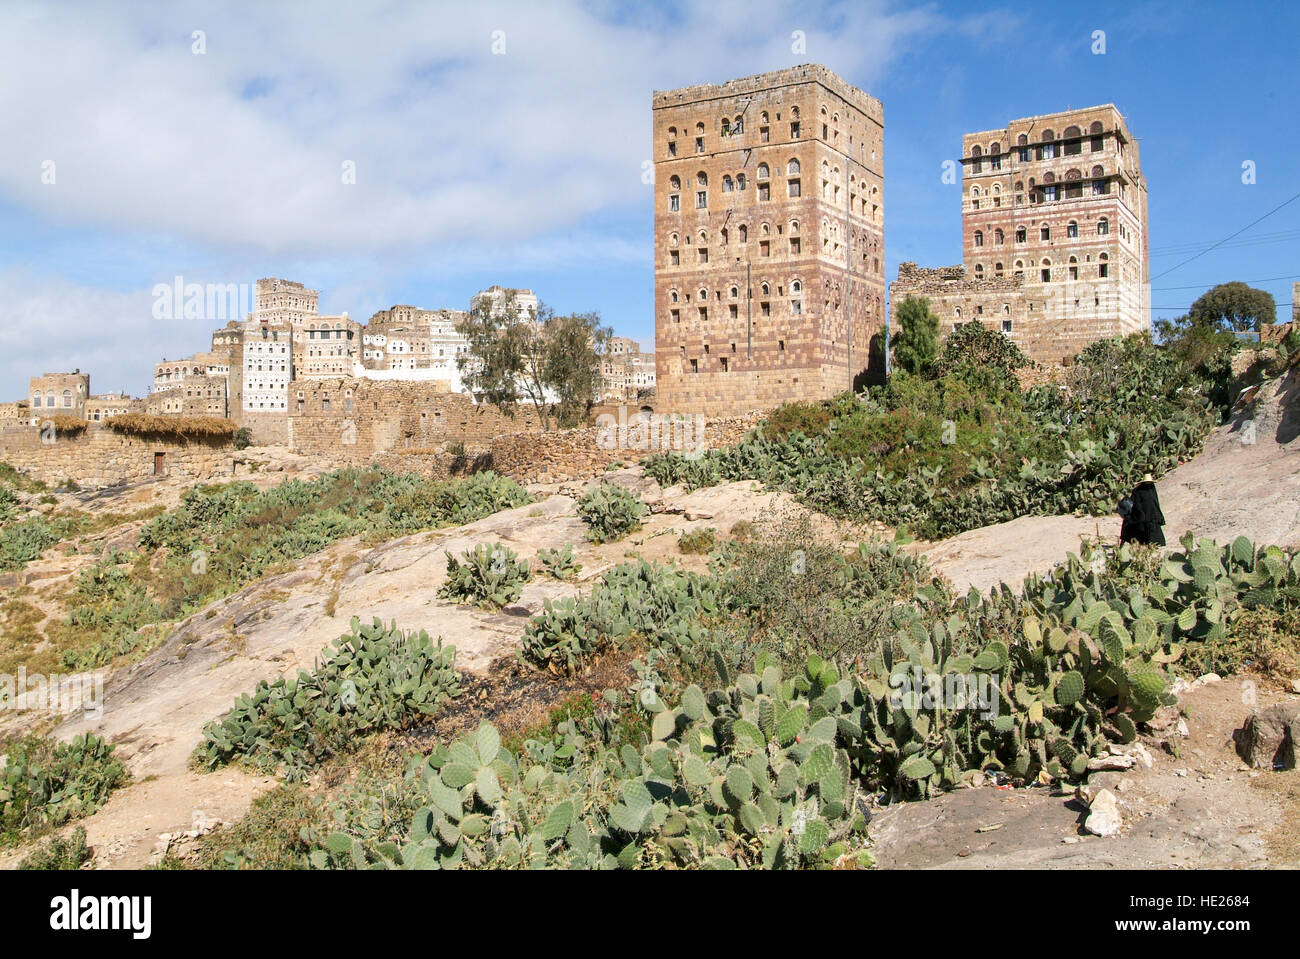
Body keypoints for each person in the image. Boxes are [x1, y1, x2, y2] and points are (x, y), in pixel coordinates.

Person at [1120, 472, 1166, 546]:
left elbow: (1155, 503)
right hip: (1140, 515)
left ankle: (1151, 546)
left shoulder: (1152, 489)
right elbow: (1135, 503)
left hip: (1151, 516)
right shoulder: (1138, 491)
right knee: (1133, 531)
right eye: (1147, 482)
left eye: (1149, 482)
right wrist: (1139, 513)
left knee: (1152, 535)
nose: (1148, 483)